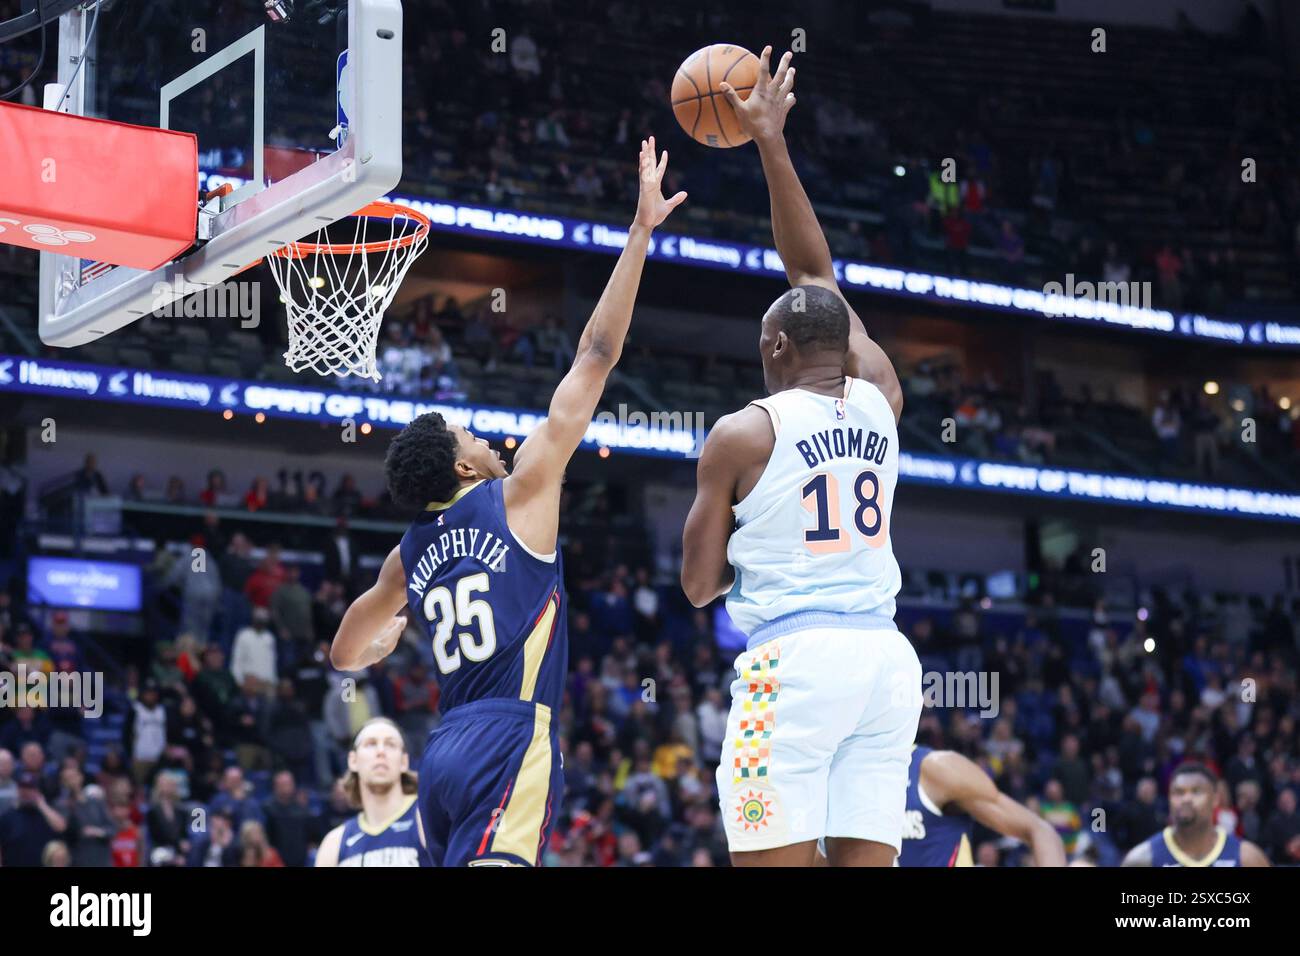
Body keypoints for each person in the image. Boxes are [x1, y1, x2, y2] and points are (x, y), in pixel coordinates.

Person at [329, 138, 685, 867]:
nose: (487, 435)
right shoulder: (520, 491)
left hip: (444, 748)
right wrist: (641, 232)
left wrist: (387, 637)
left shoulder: (409, 554)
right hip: (509, 734)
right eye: (472, 432)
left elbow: (342, 654)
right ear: (463, 464)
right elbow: (595, 354)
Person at [682, 48, 920, 867]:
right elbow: (815, 274)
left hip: (794, 664)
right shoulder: (880, 397)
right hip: (888, 664)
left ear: (775, 344)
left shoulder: (742, 434)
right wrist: (772, 142)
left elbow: (697, 585)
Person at [315, 717, 428, 867]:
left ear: (404, 762)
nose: (381, 751)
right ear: (353, 761)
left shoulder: (426, 818)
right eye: (371, 744)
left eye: (390, 744)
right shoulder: (334, 842)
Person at [1122, 762, 1269, 867]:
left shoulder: (1247, 858)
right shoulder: (1141, 859)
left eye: (1196, 791)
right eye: (1178, 792)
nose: (1186, 799)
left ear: (1216, 799)